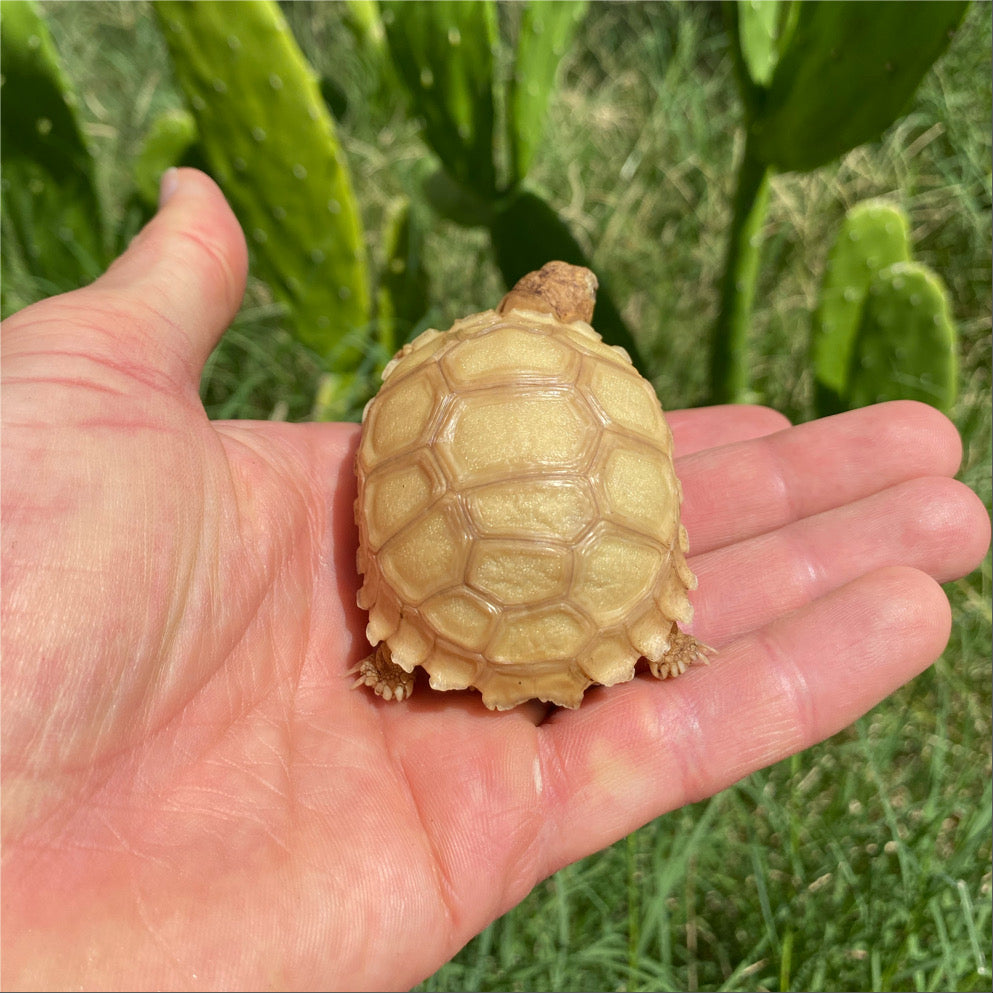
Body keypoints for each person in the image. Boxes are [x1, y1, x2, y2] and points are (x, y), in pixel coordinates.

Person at [2, 167, 989, 991]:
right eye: (569, 291)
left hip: (438, 612)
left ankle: (404, 655)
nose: (576, 293)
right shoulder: (606, 382)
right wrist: (647, 610)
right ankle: (653, 632)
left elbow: (393, 472)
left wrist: (405, 631)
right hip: (598, 599)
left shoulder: (430, 373)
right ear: (558, 308)